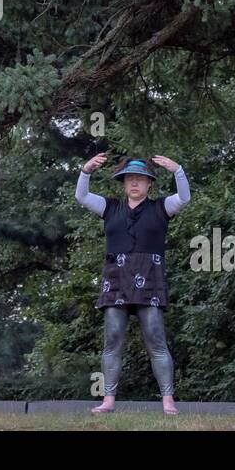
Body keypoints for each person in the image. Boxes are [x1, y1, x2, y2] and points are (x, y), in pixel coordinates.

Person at [76, 153, 191, 415]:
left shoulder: (161, 208)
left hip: (150, 279)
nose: (135, 184)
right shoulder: (110, 207)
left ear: (150, 184)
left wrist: (178, 170)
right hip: (115, 280)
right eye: (130, 180)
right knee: (113, 340)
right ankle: (108, 401)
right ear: (124, 183)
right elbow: (82, 197)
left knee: (156, 339)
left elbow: (184, 198)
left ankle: (168, 401)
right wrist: (85, 171)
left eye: (141, 180)